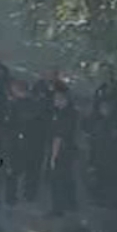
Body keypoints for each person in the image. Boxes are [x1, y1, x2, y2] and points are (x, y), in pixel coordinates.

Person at [3, 80, 47, 204]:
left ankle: (11, 197)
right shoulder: (38, 105)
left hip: (18, 144)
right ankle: (30, 194)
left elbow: (9, 125)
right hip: (36, 144)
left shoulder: (14, 106)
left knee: (12, 172)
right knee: (33, 171)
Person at [86, 97, 117, 210]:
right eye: (102, 108)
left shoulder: (116, 123)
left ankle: (113, 202)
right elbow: (94, 140)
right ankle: (100, 200)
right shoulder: (99, 123)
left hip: (111, 157)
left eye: (106, 108)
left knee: (111, 181)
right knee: (99, 179)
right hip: (99, 155)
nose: (104, 110)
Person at [47, 87, 79, 217]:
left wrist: (53, 156)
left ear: (63, 100)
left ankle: (57, 209)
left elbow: (58, 137)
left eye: (56, 99)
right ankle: (71, 203)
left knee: (57, 181)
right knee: (67, 178)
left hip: (62, 151)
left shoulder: (63, 115)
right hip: (70, 149)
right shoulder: (73, 113)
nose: (54, 101)